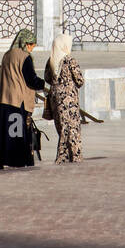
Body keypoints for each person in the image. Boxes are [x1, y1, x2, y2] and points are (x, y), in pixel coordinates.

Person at [0, 28, 46, 170]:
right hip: (17, 101)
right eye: (30, 45)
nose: (31, 48)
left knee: (4, 132)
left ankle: (1, 160)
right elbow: (31, 80)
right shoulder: (24, 57)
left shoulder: (7, 55)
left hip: (3, 99)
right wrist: (43, 83)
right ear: (24, 43)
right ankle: (17, 161)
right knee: (16, 134)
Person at [43, 32, 85, 164]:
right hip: (69, 99)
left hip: (55, 97)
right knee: (72, 127)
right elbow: (79, 80)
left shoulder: (51, 60)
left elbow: (47, 78)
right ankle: (70, 155)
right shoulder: (69, 60)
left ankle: (65, 154)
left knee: (62, 126)